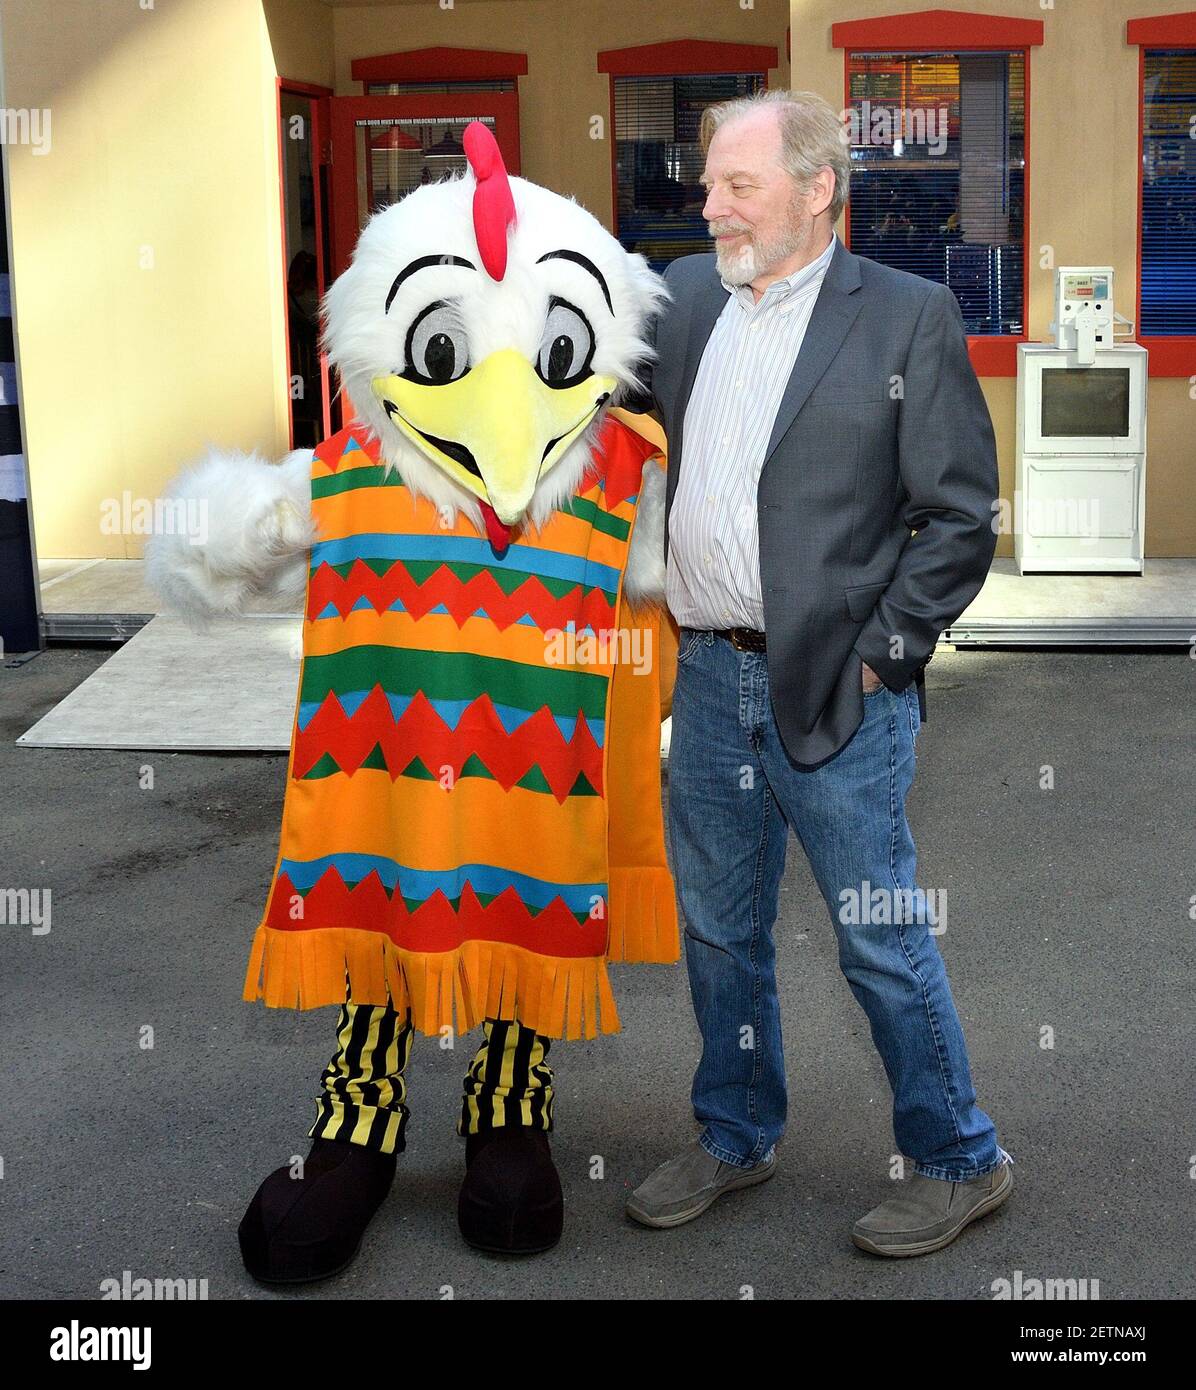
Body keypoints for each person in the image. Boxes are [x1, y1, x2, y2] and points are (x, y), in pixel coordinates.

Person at [623, 88, 1013, 1257]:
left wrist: (884, 660)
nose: (710, 207)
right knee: (718, 931)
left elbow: (958, 518)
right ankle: (735, 1132)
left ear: (815, 188)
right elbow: (575, 388)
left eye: (736, 186)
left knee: (877, 933)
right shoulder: (685, 299)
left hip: (837, 690)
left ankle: (958, 1156)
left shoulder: (905, 317)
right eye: (706, 185)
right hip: (705, 681)